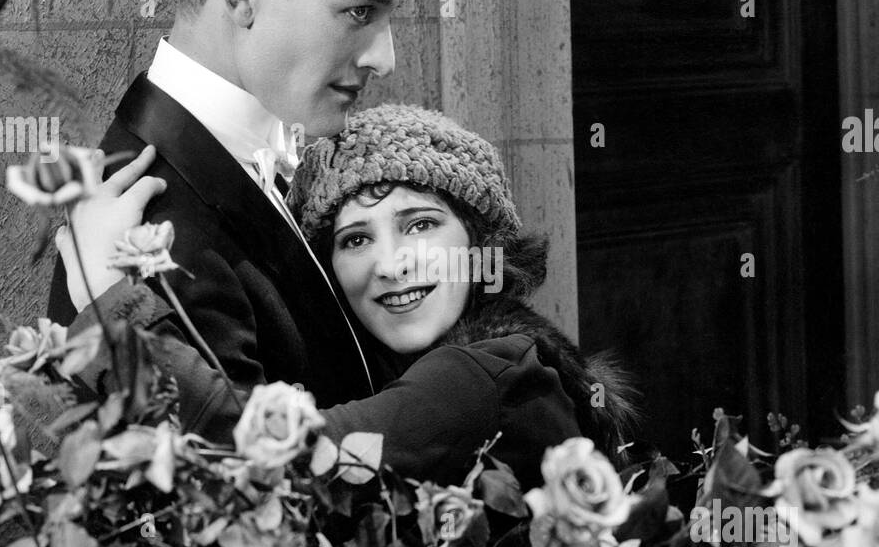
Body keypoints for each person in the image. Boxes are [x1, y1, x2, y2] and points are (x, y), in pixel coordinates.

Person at [59, 105, 638, 489]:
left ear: (480, 243)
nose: (390, 265)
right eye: (356, 239)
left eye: (421, 225)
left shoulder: (484, 375)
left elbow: (264, 458)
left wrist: (112, 304)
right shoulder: (410, 369)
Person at [48, 0, 415, 407]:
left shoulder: (263, 147)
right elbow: (246, 478)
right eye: (359, 11)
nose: (383, 59)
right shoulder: (146, 232)